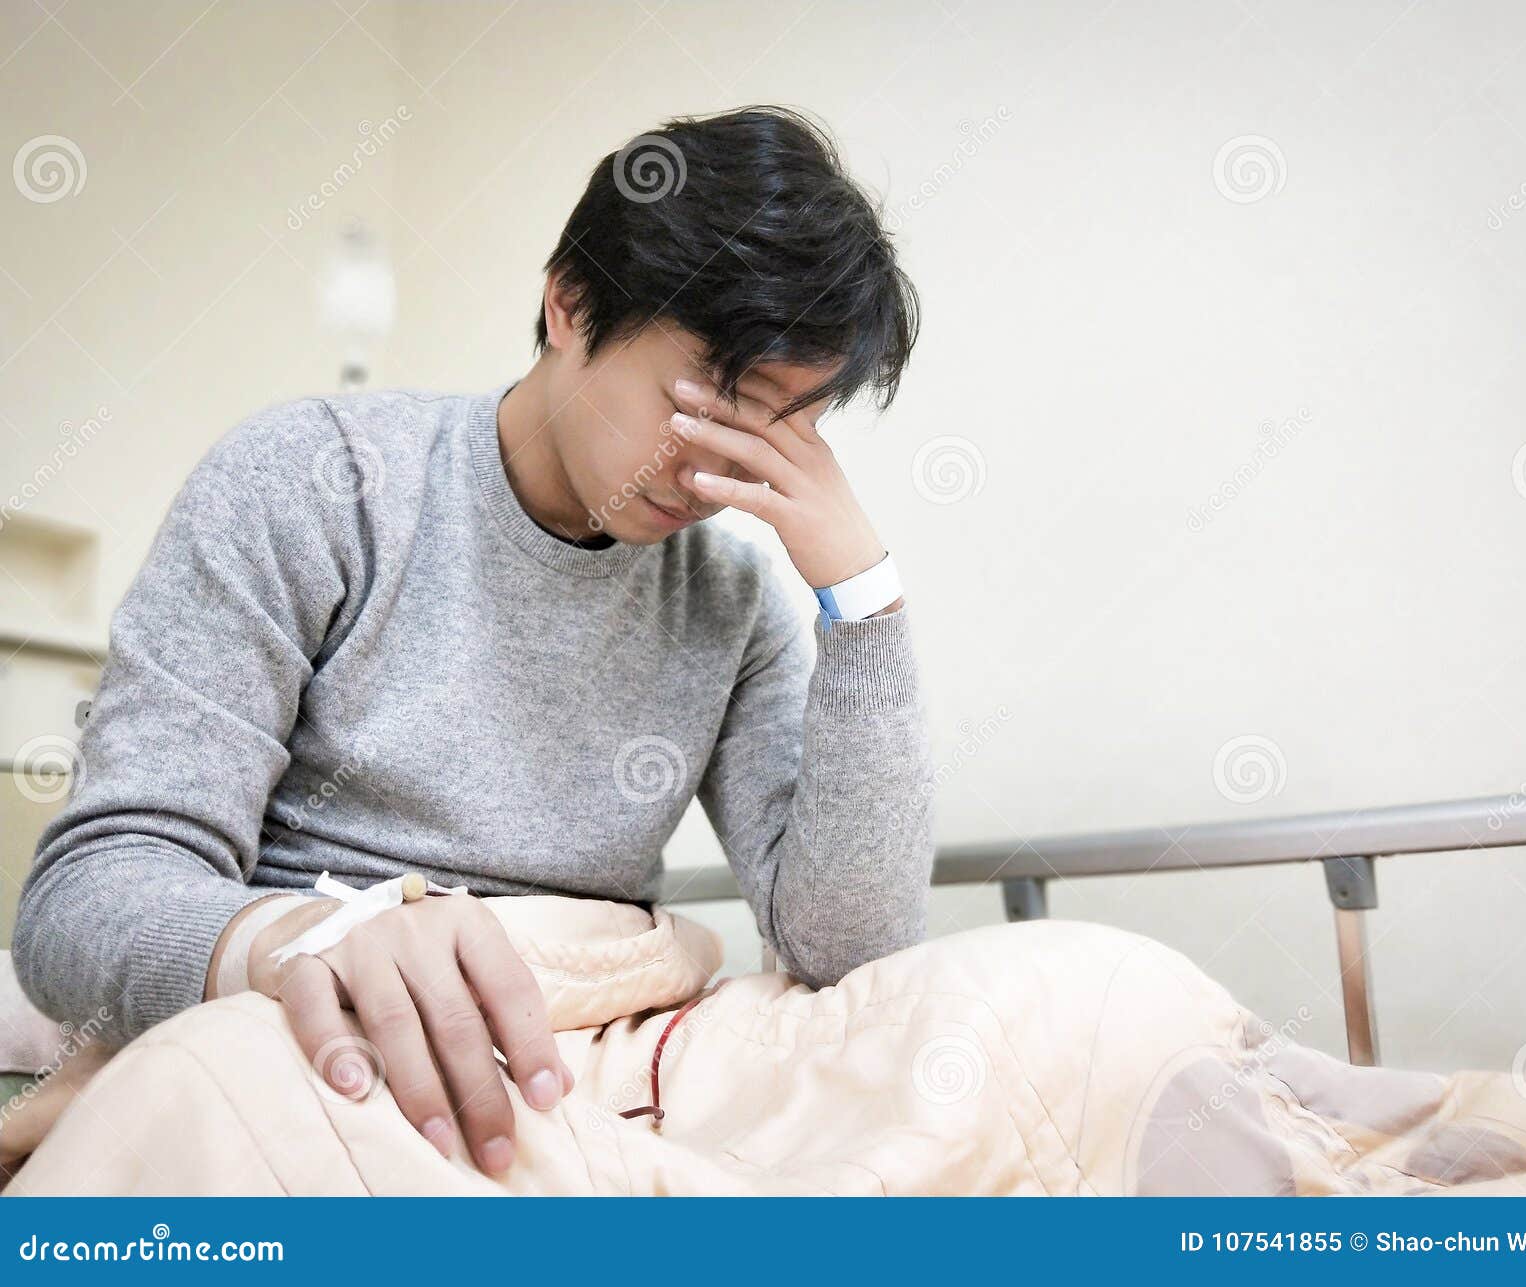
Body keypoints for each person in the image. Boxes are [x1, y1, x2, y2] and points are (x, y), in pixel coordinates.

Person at [12, 106, 934, 1179]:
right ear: (569, 304)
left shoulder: (730, 600)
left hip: (601, 1046)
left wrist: (862, 601)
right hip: (326, 1025)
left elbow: (850, 960)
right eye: (713, 404)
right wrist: (298, 946)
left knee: (1057, 998)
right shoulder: (317, 487)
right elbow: (90, 894)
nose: (715, 473)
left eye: (783, 426)